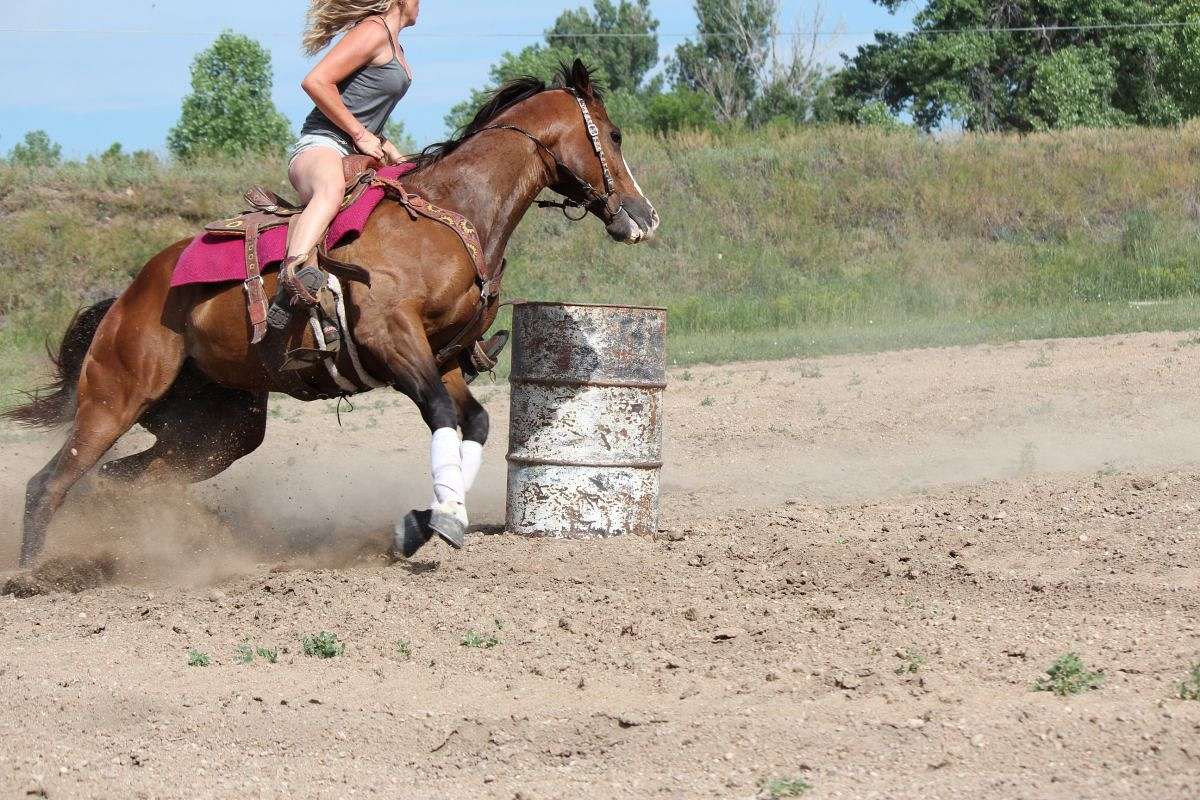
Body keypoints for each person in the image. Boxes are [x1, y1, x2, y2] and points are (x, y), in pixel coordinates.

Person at [267, 0, 418, 340]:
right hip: (321, 145)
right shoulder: (374, 31)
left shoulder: (396, 44)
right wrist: (361, 134)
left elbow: (362, 105)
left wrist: (386, 145)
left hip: (357, 150)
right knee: (330, 189)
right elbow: (316, 81)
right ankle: (289, 283)